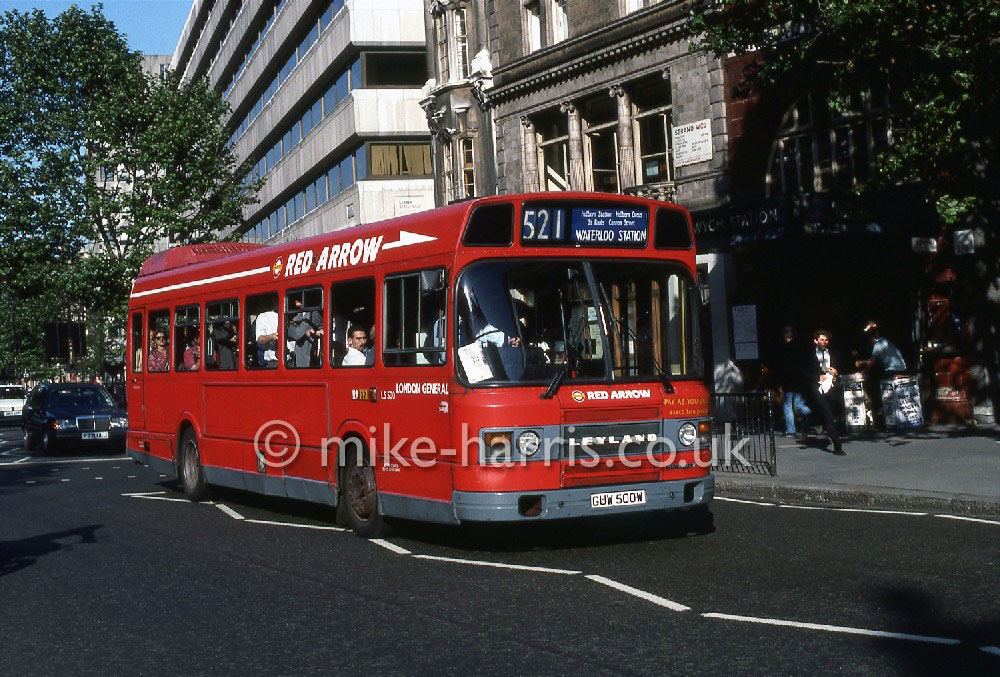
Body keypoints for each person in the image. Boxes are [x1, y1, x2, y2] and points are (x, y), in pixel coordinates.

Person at [855, 321, 907, 428]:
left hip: (892, 370)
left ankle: (880, 415)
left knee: (877, 388)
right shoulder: (885, 342)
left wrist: (863, 369)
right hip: (901, 368)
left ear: (871, 339)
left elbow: (871, 362)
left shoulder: (878, 345)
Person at [801, 328, 845, 455]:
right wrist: (817, 377)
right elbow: (804, 372)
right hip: (817, 388)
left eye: (826, 340)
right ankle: (837, 445)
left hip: (831, 386)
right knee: (827, 414)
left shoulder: (833, 353)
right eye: (821, 340)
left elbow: (840, 366)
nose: (824, 342)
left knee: (823, 412)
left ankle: (808, 421)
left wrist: (836, 372)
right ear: (815, 341)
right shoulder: (810, 355)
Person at [777, 326, 812, 436]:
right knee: (798, 404)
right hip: (798, 381)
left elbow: (783, 369)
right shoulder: (799, 349)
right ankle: (813, 415)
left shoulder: (783, 350)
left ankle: (791, 430)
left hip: (788, 381)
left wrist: (781, 383)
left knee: (788, 406)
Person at [286, 300, 323, 367]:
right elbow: (287, 334)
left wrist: (289, 324)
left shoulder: (313, 314)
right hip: (298, 356)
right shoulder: (299, 314)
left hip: (307, 357)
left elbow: (296, 334)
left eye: (299, 296)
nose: (295, 299)